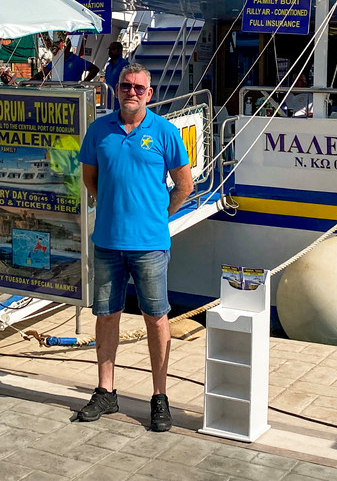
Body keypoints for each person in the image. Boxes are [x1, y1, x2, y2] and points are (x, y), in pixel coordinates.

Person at [74, 63, 192, 432]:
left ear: (149, 94)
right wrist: (113, 205)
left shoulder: (165, 132)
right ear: (116, 89)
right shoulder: (99, 130)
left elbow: (184, 185)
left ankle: (159, 396)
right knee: (106, 314)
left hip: (150, 245)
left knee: (156, 318)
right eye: (126, 85)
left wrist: (158, 213)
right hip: (108, 241)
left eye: (139, 88)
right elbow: (90, 179)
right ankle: (106, 391)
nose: (132, 92)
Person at [102, 41, 129, 107]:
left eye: (113, 49)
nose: (110, 51)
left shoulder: (125, 65)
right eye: (109, 49)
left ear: (120, 50)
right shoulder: (108, 66)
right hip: (108, 99)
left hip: (119, 100)